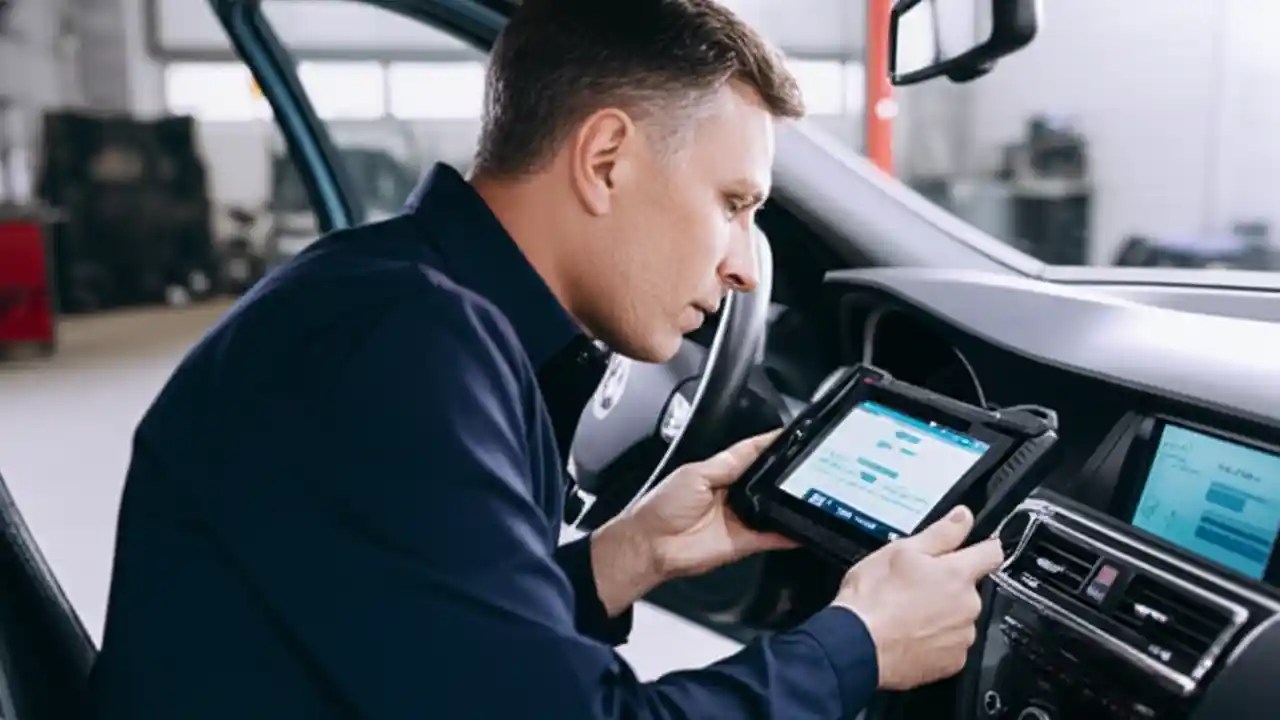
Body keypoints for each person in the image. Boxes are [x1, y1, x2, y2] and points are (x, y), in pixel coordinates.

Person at [85, 0, 1004, 717]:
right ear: (605, 160)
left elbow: (427, 649)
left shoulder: (392, 297)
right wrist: (859, 645)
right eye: (732, 203)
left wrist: (623, 558)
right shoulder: (403, 353)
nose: (740, 265)